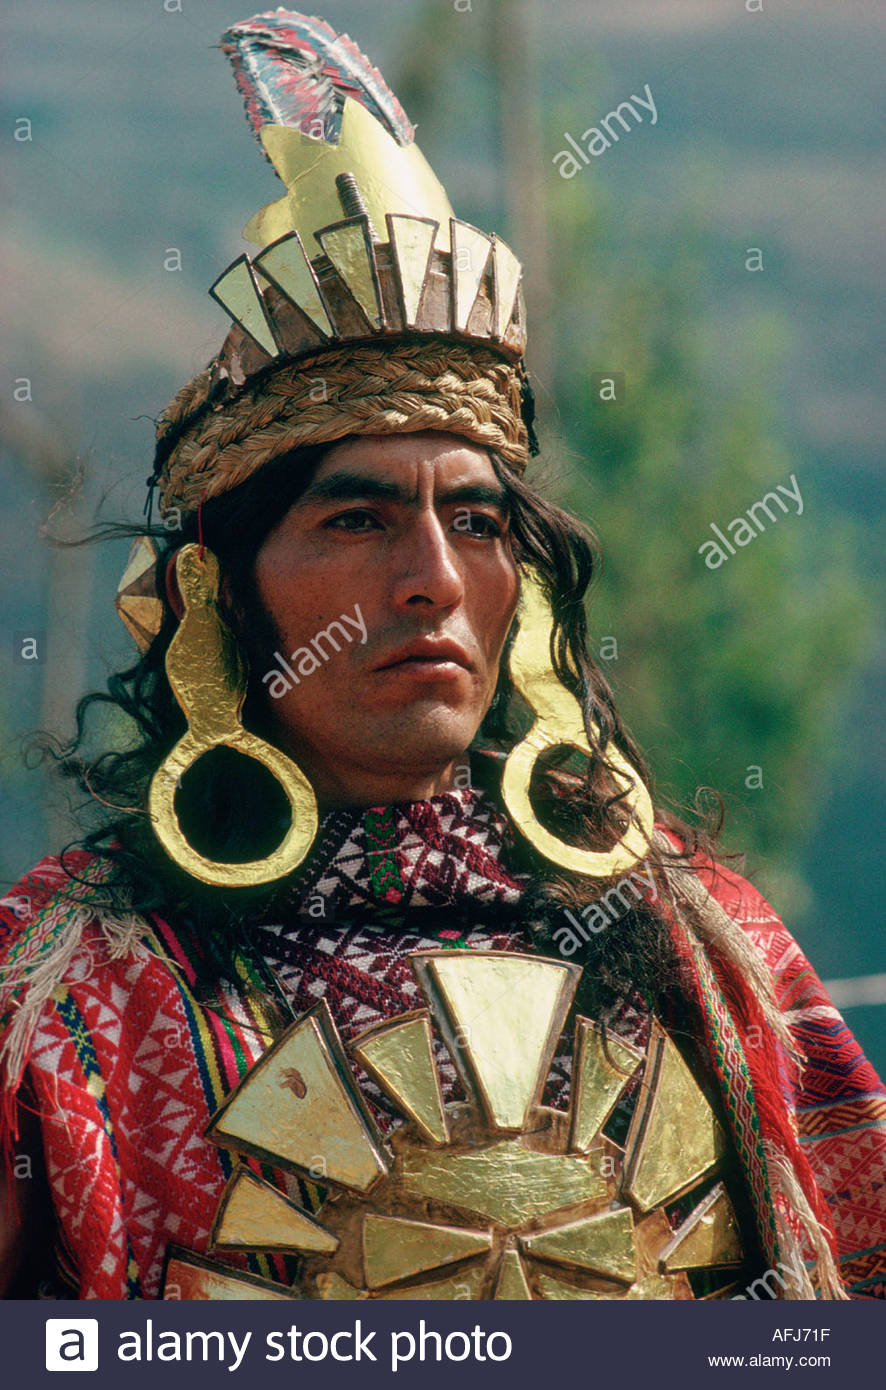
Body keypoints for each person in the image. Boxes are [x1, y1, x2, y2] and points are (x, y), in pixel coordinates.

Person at [1, 10, 884, 1303]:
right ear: (220, 593)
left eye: (474, 520)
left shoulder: (696, 941)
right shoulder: (75, 993)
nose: (426, 576)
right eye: (355, 518)